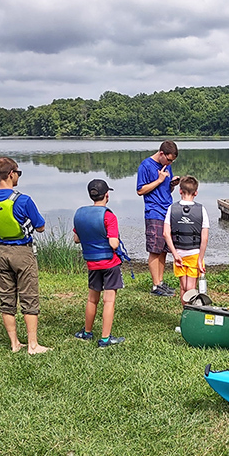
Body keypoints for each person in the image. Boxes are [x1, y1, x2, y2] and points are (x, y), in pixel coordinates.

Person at [0, 156, 51, 354]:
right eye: (18, 172)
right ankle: (33, 345)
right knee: (29, 297)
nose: (19, 176)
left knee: (7, 298)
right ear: (11, 174)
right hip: (22, 252)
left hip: (2, 251)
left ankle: (14, 344)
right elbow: (40, 227)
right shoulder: (23, 200)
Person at [72, 179, 125, 348]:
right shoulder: (109, 216)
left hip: (92, 264)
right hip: (109, 264)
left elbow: (76, 239)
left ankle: (87, 332)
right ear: (107, 195)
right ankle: (105, 338)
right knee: (108, 301)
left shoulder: (80, 214)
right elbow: (114, 244)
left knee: (92, 299)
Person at [136, 140, 180, 297]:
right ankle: (155, 286)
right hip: (154, 211)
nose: (169, 163)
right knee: (155, 250)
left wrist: (172, 184)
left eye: (172, 161)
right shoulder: (145, 166)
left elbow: (166, 188)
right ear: (161, 153)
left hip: (167, 210)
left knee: (164, 249)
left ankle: (161, 283)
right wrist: (159, 180)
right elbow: (140, 190)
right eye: (168, 160)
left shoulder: (167, 166)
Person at [164, 175, 210, 301]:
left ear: (180, 191)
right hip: (195, 254)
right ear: (196, 193)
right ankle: (191, 315)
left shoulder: (171, 208)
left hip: (179, 253)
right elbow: (204, 238)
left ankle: (185, 313)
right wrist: (200, 260)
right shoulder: (202, 210)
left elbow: (166, 234)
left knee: (183, 287)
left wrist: (174, 254)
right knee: (190, 288)